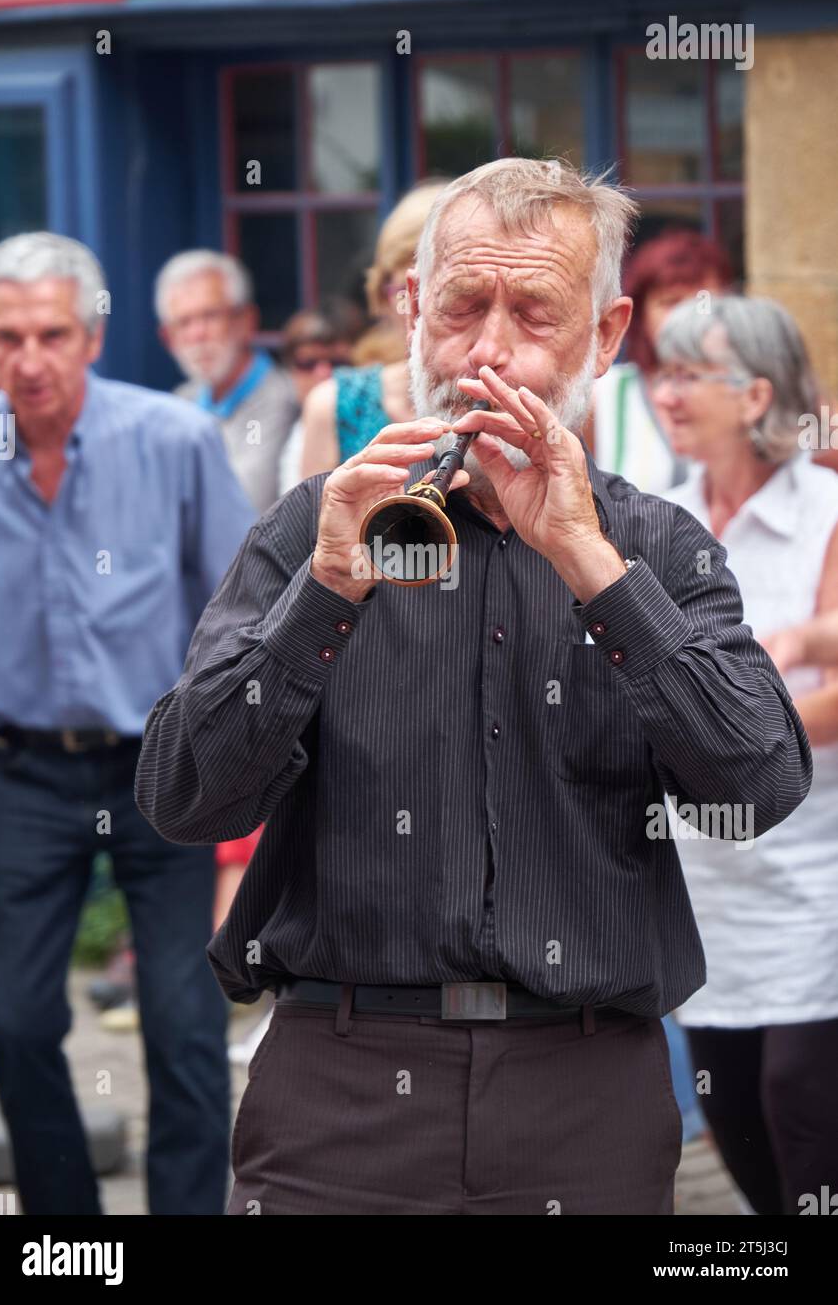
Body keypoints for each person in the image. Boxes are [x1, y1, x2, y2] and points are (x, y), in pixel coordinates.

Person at [135, 158, 810, 1217]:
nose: (488, 350)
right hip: (338, 1086)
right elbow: (184, 797)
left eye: (533, 313)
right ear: (411, 311)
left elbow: (759, 783)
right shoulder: (317, 526)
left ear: (602, 334)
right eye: (461, 307)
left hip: (583, 1090)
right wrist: (322, 592)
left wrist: (589, 565)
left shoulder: (654, 546)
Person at [0, 232, 255, 1215]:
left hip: (156, 766)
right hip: (20, 769)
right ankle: (72, 1236)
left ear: (91, 336)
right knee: (11, 1022)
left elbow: (235, 604)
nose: (29, 359)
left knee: (181, 1022)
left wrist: (235, 754)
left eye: (51, 332)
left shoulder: (170, 442)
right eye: (6, 337)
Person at [652, 294, 838, 1215]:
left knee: (803, 1106)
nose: (666, 392)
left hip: (813, 871)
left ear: (758, 393)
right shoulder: (661, 520)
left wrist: (733, 736)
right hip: (703, 881)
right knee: (736, 1122)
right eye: (663, 371)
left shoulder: (827, 512)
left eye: (692, 374)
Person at [300, 180, 448, 478]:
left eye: (449, 293)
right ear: (380, 295)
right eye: (407, 293)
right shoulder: (333, 405)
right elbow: (315, 521)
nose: (426, 310)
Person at [586, 229, 733, 493]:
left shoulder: (747, 389)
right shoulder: (603, 397)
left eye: (701, 303)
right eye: (671, 303)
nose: (685, 319)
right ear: (639, 314)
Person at [156, 248, 299, 515]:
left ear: (245, 321)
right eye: (184, 322)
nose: (198, 334)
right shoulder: (180, 401)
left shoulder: (284, 398)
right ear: (167, 337)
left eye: (210, 316)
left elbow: (244, 504)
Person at [277, 309, 353, 498]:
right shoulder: (285, 421)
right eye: (308, 363)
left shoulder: (358, 428)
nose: (323, 373)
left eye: (337, 363)